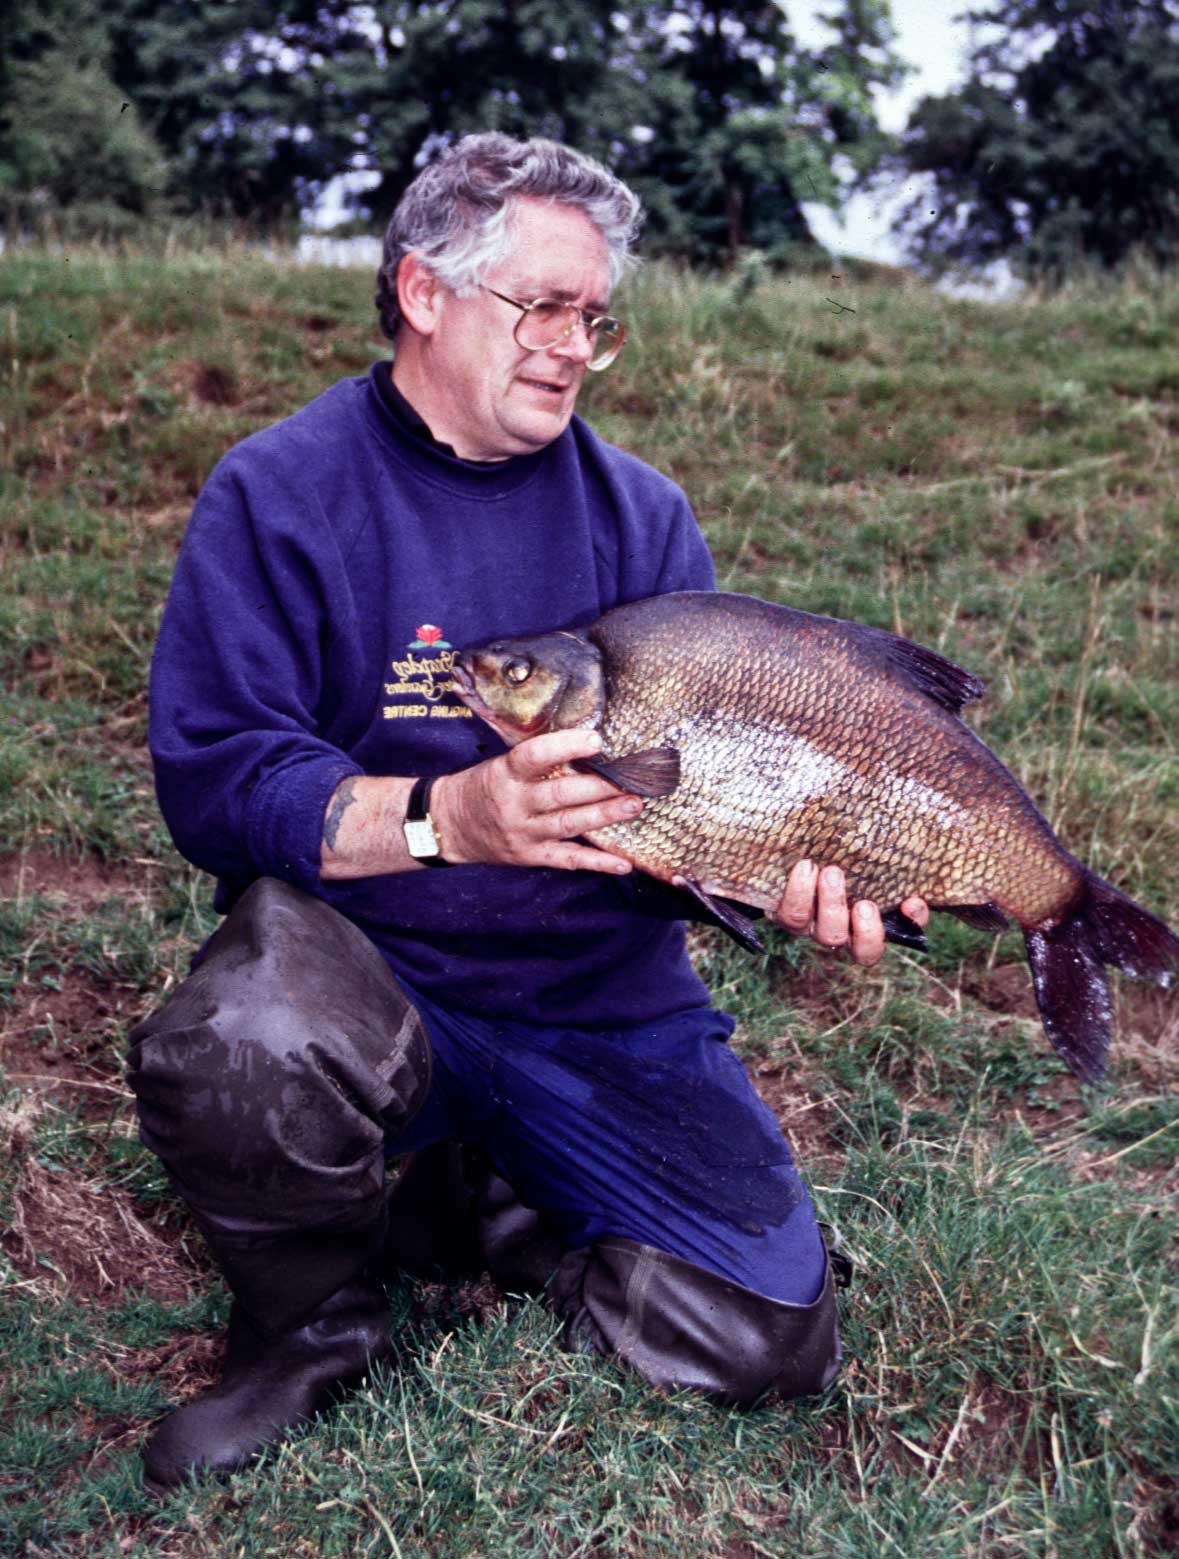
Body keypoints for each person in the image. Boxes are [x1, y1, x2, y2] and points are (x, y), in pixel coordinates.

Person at [128, 132, 928, 1494]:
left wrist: (787, 870)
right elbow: (218, 777)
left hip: (598, 1002)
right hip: (376, 974)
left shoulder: (643, 518)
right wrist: (447, 818)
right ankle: (310, 1331)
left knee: (767, 1337)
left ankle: (488, 1204)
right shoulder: (281, 492)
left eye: (594, 319)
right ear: (423, 293)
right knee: (244, 1039)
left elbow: (694, 804)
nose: (572, 347)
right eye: (543, 307)